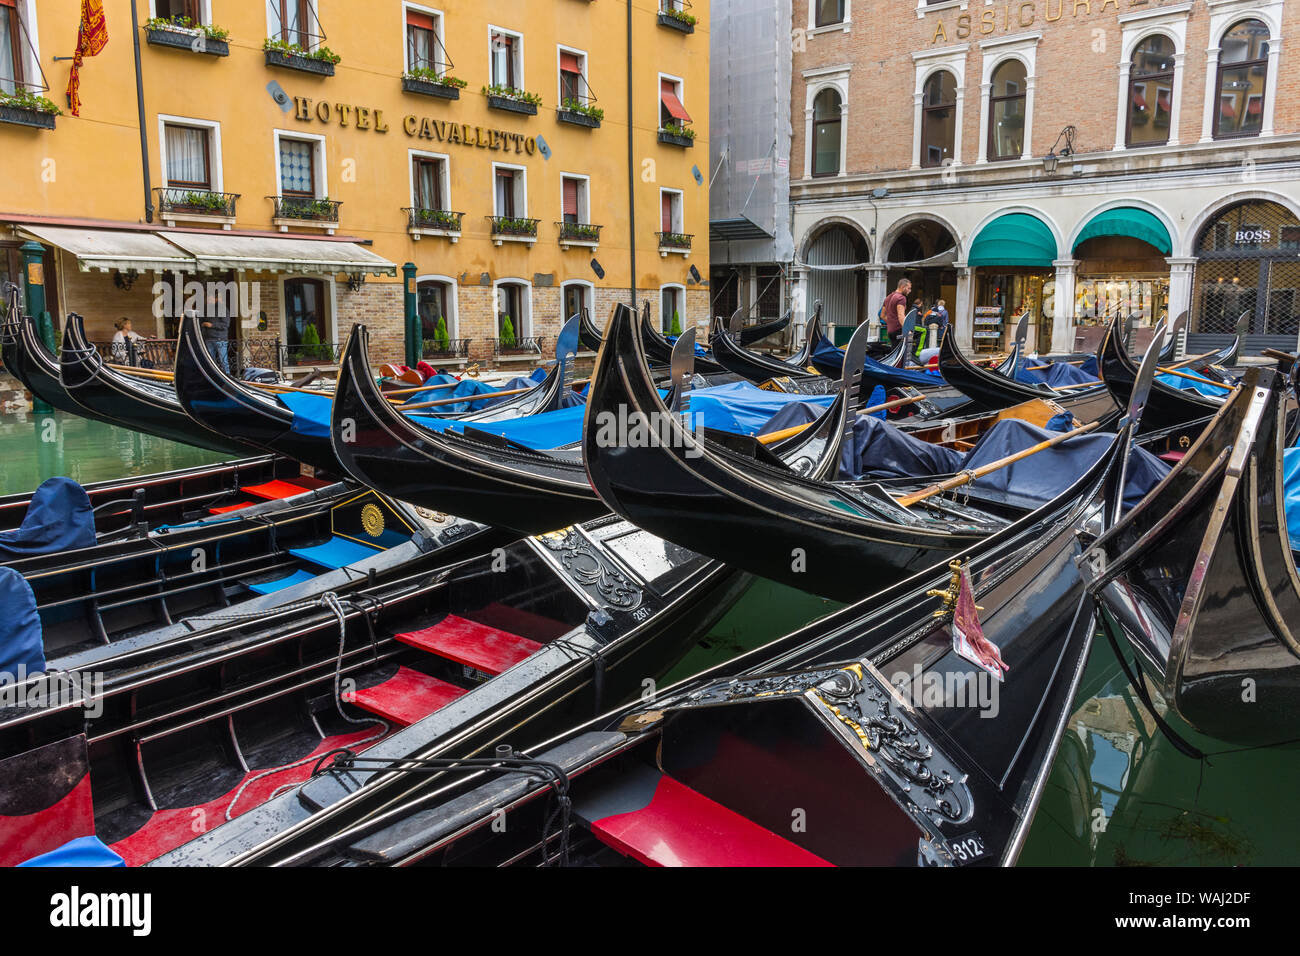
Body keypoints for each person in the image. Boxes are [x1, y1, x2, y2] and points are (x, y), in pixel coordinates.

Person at [201, 300, 230, 373]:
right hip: (209, 339)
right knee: (210, 362)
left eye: (209, 297)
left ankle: (228, 378)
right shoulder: (207, 310)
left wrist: (212, 325)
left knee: (223, 362)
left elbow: (225, 325)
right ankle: (214, 378)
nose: (207, 299)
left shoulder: (223, 309)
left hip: (220, 339)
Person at [880, 278, 910, 347]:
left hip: (890, 331)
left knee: (894, 351)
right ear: (903, 287)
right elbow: (901, 316)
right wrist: (907, 330)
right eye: (908, 288)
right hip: (898, 330)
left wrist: (891, 323)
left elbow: (882, 315)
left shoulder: (888, 297)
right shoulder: (901, 298)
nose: (910, 291)